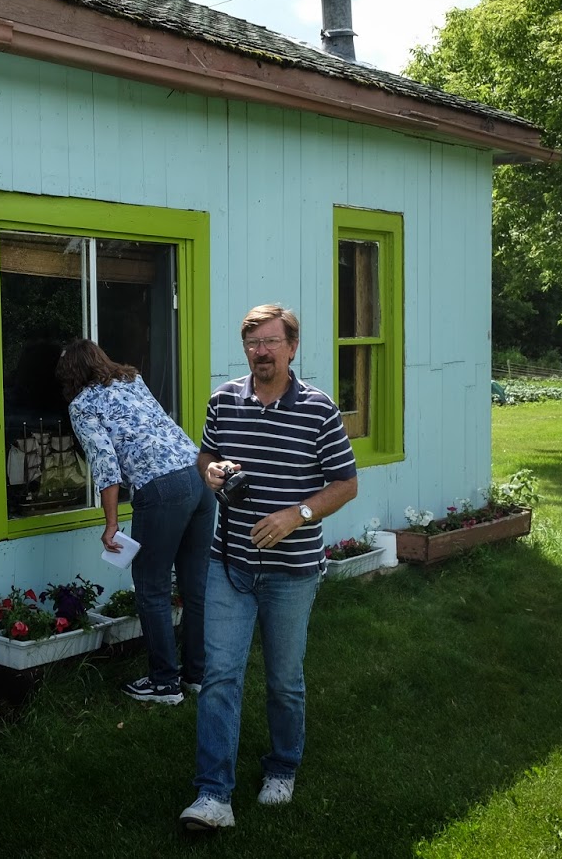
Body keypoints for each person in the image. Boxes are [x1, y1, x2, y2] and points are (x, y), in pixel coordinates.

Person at [179, 305, 358, 831]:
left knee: (283, 681)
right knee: (220, 676)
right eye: (253, 343)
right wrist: (212, 471)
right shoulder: (223, 401)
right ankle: (213, 795)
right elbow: (204, 457)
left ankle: (282, 767)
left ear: (292, 347)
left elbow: (346, 483)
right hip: (230, 563)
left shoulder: (319, 410)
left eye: (271, 342)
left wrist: (296, 515)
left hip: (291, 571)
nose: (261, 352)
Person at [56, 338, 214, 704]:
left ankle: (164, 684)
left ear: (69, 374)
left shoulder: (81, 404)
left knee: (152, 587)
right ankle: (197, 674)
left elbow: (106, 465)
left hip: (161, 488)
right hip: (198, 477)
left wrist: (111, 524)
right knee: (196, 585)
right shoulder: (131, 380)